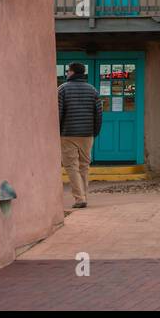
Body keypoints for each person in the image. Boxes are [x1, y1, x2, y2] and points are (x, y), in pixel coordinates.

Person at [57, 62, 102, 209]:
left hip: (68, 134)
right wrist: (95, 131)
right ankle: (84, 196)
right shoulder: (93, 90)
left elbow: (58, 113)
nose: (67, 73)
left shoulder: (62, 89)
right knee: (84, 166)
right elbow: (98, 114)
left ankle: (79, 198)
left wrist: (58, 131)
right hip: (87, 134)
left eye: (68, 71)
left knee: (71, 166)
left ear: (72, 72)